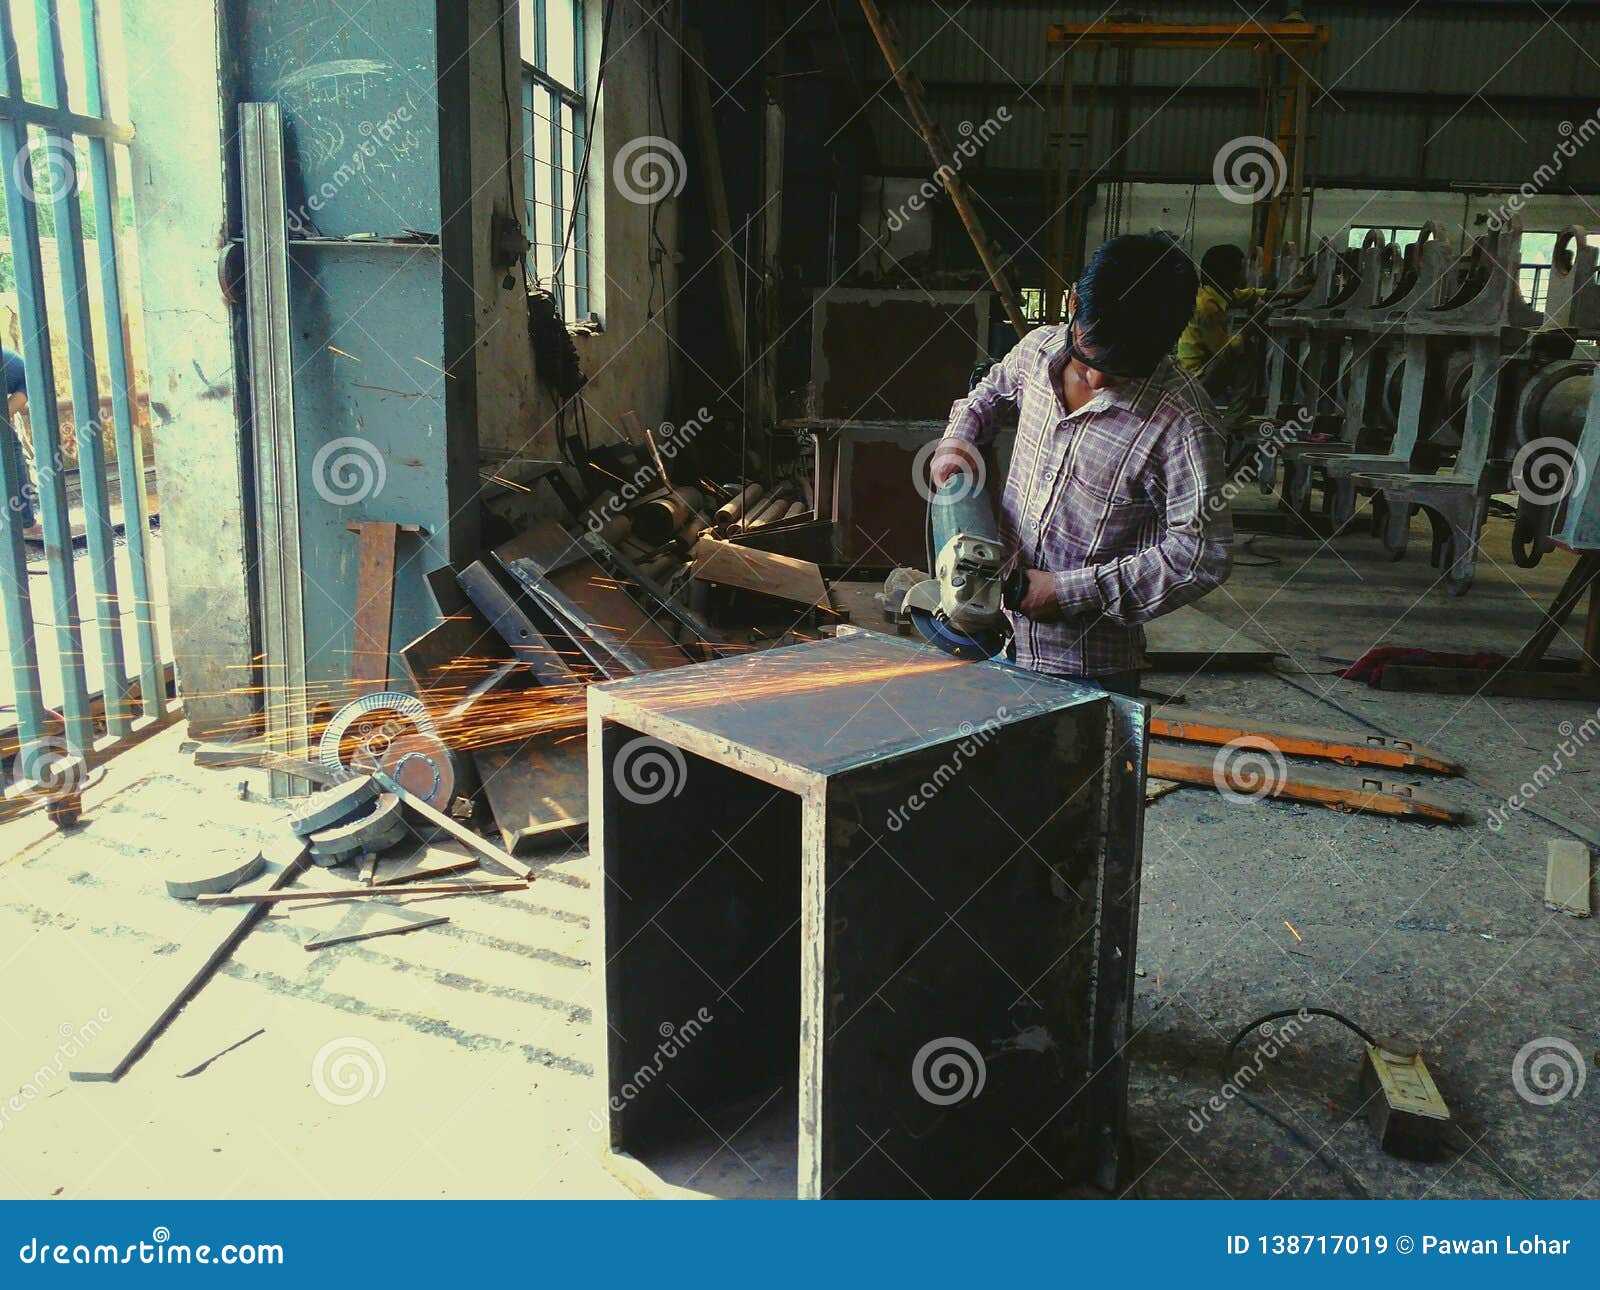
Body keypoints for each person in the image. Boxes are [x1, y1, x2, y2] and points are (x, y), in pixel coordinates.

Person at [930, 232, 1232, 698]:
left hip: (1086, 669)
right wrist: (958, 438)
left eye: (1121, 369)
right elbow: (989, 394)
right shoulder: (1037, 350)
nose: (1095, 378)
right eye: (1088, 357)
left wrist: (1071, 592)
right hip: (996, 640)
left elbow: (1201, 555)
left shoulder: (1185, 425)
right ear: (1074, 302)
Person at [1176, 243, 1267, 396]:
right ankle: (1235, 417)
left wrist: (1292, 294)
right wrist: (1254, 323)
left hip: (1192, 375)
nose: (1244, 276)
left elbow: (1245, 295)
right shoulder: (1207, 307)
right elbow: (1225, 352)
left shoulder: (1209, 293)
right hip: (1196, 382)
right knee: (1247, 351)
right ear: (1227, 274)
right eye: (1240, 270)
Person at [2, 345, 32, 531]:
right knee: (10, 447)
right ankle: (25, 521)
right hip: (24, 379)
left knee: (8, 443)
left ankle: (25, 520)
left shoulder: (21, 372)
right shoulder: (25, 373)